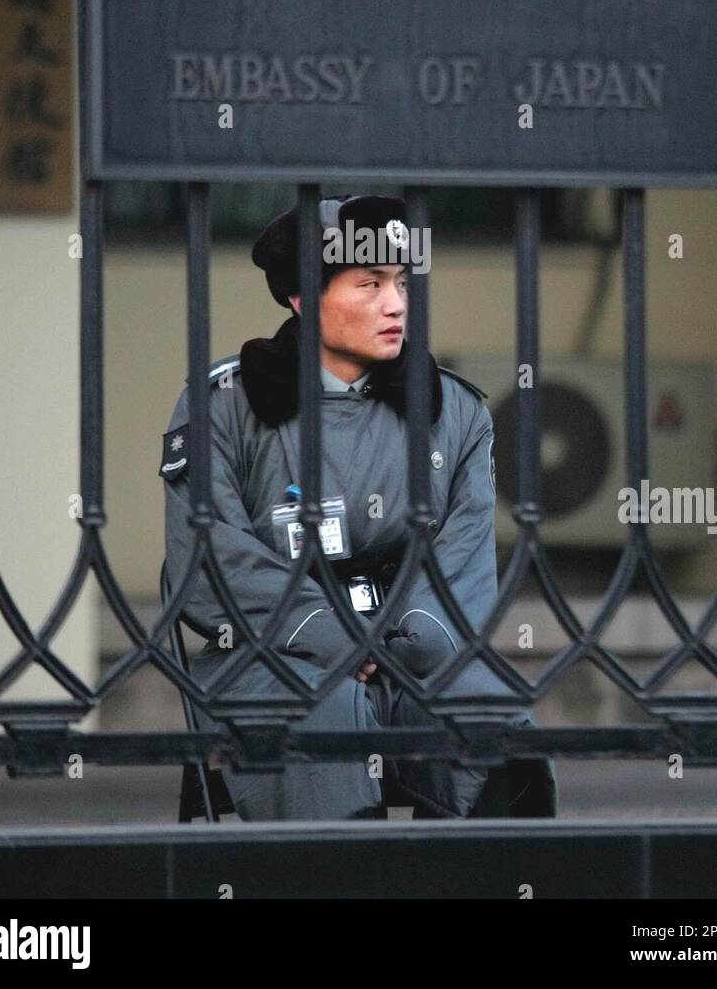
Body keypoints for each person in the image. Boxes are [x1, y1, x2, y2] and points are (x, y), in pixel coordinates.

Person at [162, 194, 557, 820]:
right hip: (272, 656)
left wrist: (397, 645)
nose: (397, 303)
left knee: (496, 724)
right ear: (299, 297)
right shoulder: (224, 404)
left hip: (413, 654)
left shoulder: (454, 412)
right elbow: (210, 560)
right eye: (370, 283)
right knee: (326, 718)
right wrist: (335, 637)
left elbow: (461, 571)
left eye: (401, 282)